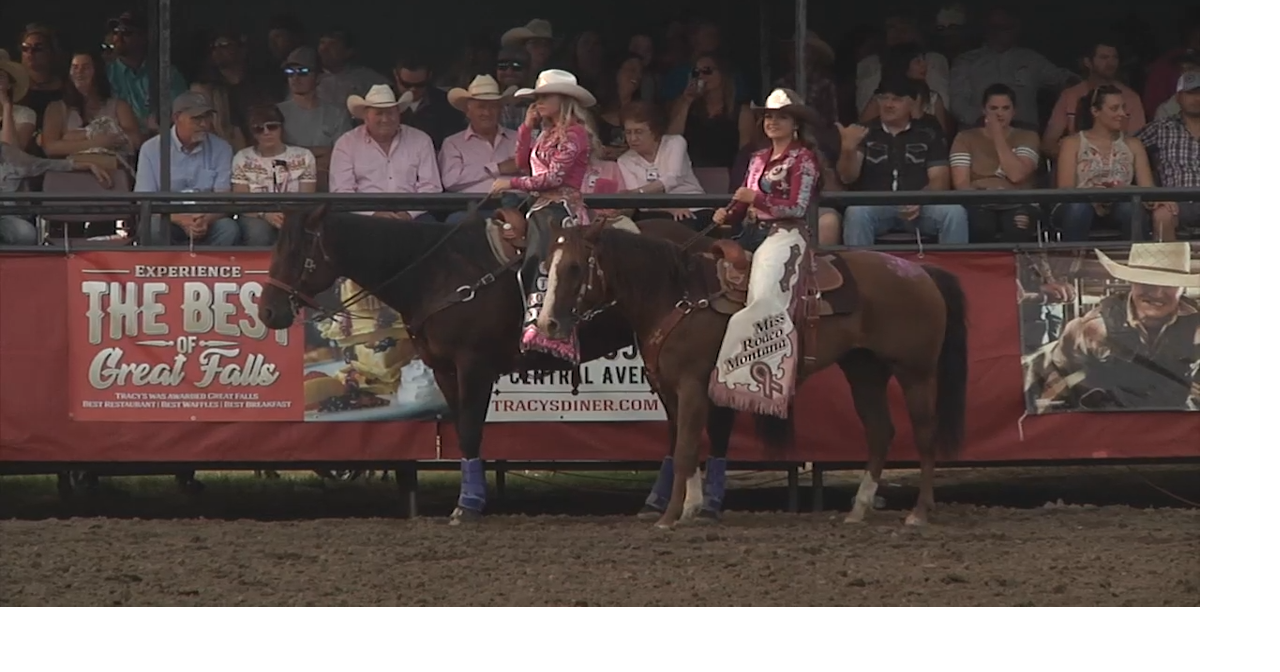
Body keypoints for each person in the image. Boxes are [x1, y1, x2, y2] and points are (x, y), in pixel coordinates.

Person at [707, 88, 825, 419]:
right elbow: (741, 199)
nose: (772, 122)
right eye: (769, 116)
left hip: (785, 234)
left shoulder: (804, 159)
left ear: (796, 124)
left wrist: (755, 200)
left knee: (763, 300)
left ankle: (762, 380)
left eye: (781, 117)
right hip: (751, 233)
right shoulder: (757, 158)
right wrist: (727, 214)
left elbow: (798, 207)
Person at [489, 69, 599, 364]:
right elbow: (524, 163)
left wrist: (509, 184)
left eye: (544, 97)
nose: (537, 103)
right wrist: (526, 129)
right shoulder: (546, 133)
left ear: (563, 100)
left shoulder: (576, 134)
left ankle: (543, 329)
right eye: (536, 98)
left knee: (540, 261)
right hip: (540, 208)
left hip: (561, 210)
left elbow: (553, 178)